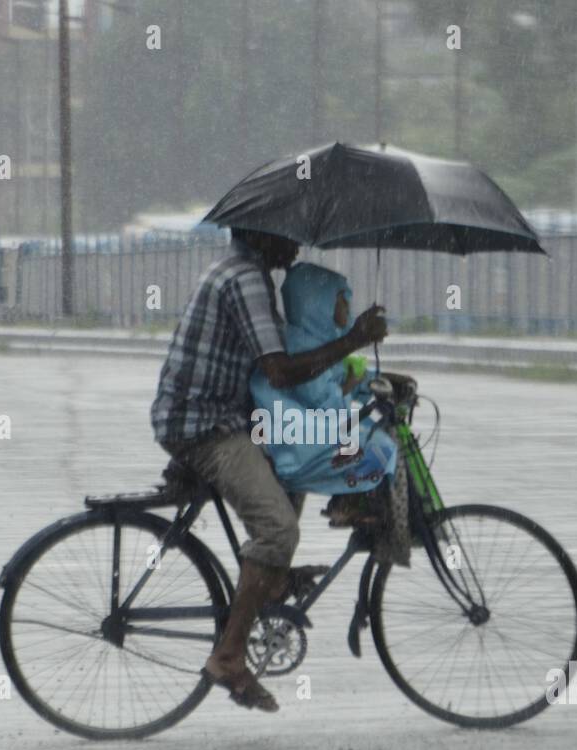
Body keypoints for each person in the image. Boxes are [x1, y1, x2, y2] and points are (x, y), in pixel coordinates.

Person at [150, 228, 387, 712]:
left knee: (293, 463)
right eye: (287, 235)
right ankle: (230, 658)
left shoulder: (248, 275)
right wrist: (354, 340)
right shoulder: (245, 281)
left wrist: (357, 376)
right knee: (278, 529)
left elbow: (294, 375)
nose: (297, 245)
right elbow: (281, 371)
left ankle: (271, 579)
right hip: (205, 425)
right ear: (261, 235)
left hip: (227, 415)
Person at [248, 262, 397, 520]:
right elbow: (323, 400)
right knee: (379, 446)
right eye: (342, 301)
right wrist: (350, 386)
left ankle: (350, 497)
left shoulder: (316, 339)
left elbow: (338, 377)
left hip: (301, 434)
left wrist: (370, 381)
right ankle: (349, 501)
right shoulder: (300, 345)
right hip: (296, 444)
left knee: (366, 436)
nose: (348, 309)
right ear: (319, 303)